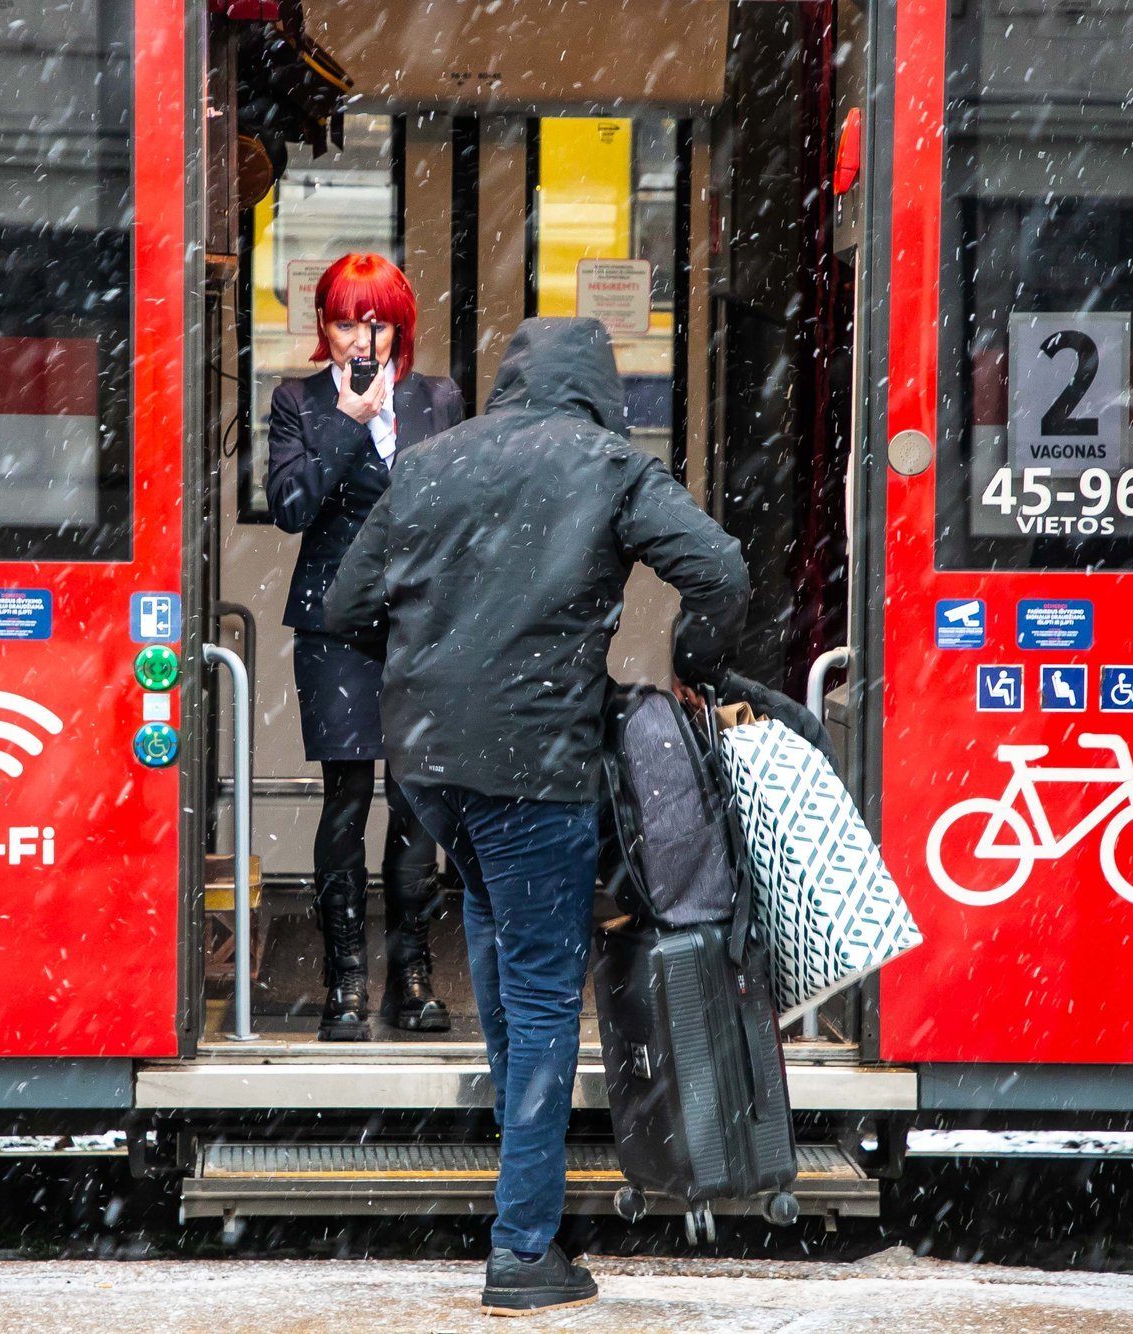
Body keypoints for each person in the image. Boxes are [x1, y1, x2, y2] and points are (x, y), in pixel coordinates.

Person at [325, 317, 749, 1315]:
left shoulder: (430, 462)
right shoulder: (607, 461)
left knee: (503, 962)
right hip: (533, 763)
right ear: (596, 384)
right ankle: (522, 1247)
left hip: (429, 764)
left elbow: (346, 604)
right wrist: (690, 660)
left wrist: (436, 656)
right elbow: (719, 569)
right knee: (547, 995)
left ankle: (526, 1213)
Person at [266, 253, 466, 1039]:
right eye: (346, 320)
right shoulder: (299, 401)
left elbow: (458, 508)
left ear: (399, 327)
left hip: (421, 625)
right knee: (346, 800)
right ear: (325, 326)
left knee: (418, 802)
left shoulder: (438, 399)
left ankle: (411, 972)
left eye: (374, 320)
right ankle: (343, 979)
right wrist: (349, 425)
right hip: (333, 626)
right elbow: (289, 507)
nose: (360, 336)